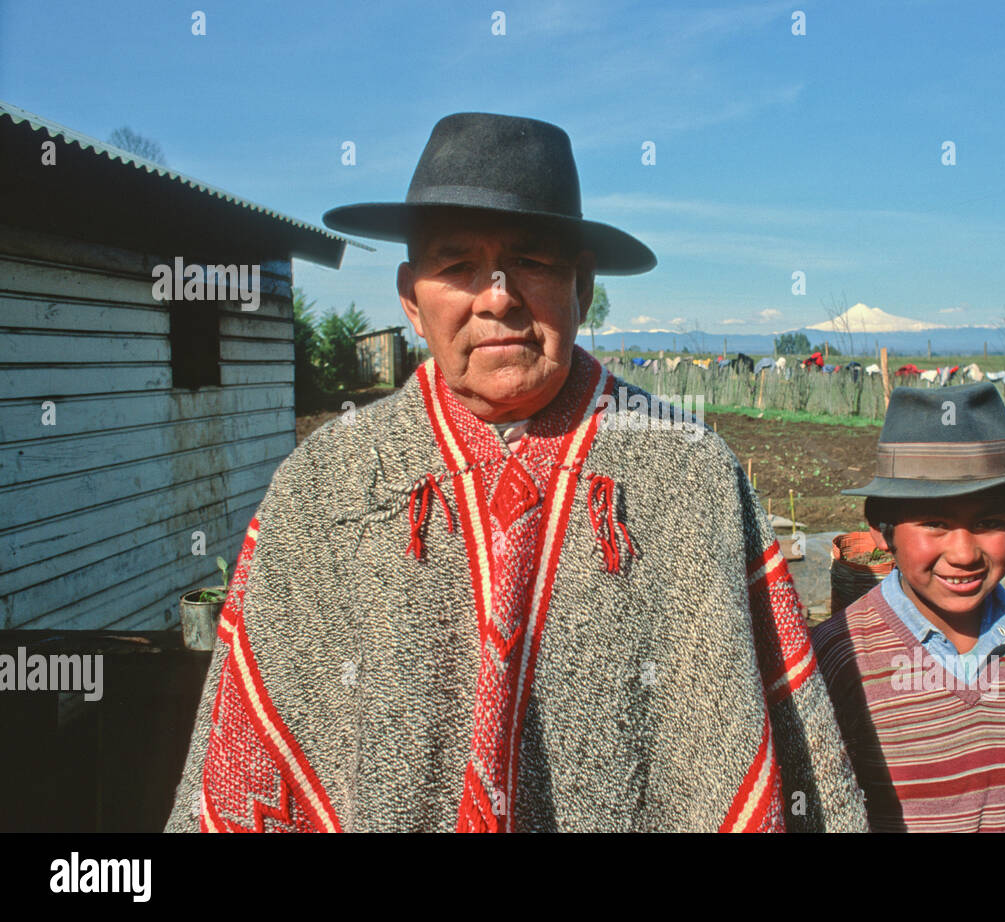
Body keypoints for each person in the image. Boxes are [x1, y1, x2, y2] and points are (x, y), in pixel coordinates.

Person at [164, 112, 866, 832]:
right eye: (457, 264)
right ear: (411, 297)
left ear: (581, 288)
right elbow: (249, 756)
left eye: (530, 260)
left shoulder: (690, 476)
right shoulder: (329, 487)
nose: (497, 295)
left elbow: (767, 743)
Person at [810, 383, 1005, 832]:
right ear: (881, 531)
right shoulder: (839, 657)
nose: (964, 553)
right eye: (935, 523)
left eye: (988, 523)